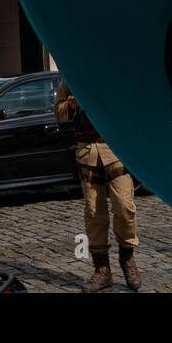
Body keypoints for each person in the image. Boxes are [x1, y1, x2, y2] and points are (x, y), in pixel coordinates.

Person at [55, 79, 140, 291]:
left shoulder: (111, 70)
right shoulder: (71, 74)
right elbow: (58, 111)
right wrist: (71, 106)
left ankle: (127, 257)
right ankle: (102, 269)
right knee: (94, 212)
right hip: (87, 150)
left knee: (125, 207)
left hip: (116, 147)